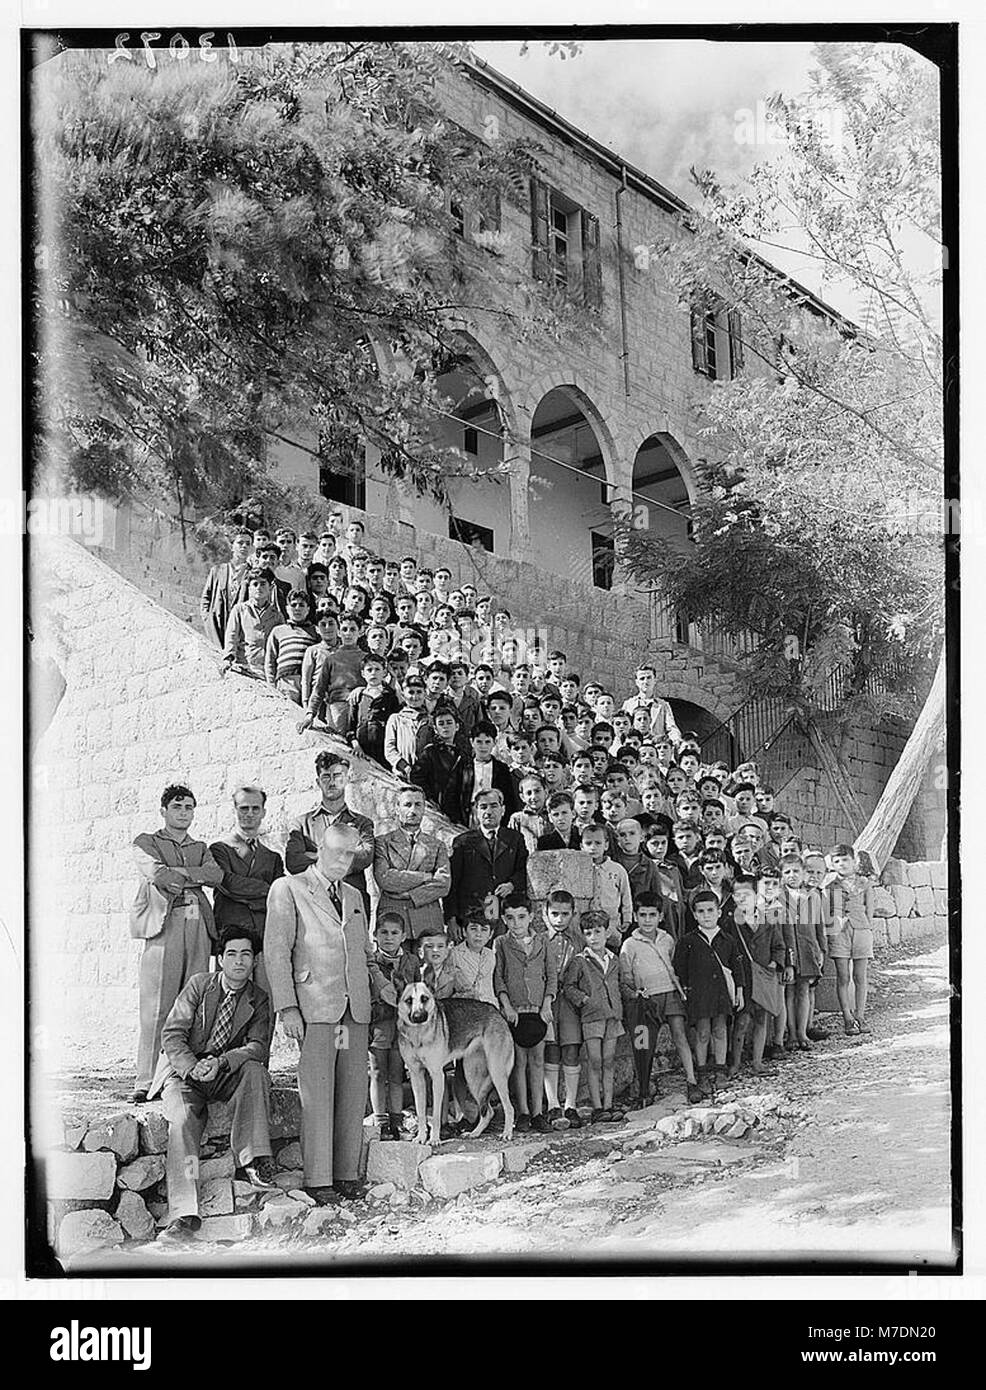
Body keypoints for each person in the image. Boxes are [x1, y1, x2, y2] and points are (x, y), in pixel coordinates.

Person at [264, 823, 383, 1204]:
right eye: (336, 852)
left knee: (351, 1091)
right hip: (315, 1007)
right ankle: (318, 1180)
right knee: (317, 1093)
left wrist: (383, 986)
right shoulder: (289, 888)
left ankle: (347, 1174)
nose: (343, 861)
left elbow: (364, 953)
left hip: (352, 1012)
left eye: (350, 855)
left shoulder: (352, 895)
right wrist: (287, 1008)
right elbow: (276, 952)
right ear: (320, 849)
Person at [151, 930, 276, 1243]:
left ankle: (253, 1160)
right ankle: (183, 1215)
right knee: (181, 1119)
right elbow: (173, 1033)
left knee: (255, 1072)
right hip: (185, 1072)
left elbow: (258, 1046)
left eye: (245, 954)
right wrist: (193, 1067)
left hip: (224, 1072)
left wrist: (219, 1063)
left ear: (254, 960)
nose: (238, 961)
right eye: (231, 954)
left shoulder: (258, 998)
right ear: (221, 959)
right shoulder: (198, 985)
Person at [130, 785, 223, 1103]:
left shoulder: (200, 846)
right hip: (164, 926)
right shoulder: (147, 842)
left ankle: (181, 1075)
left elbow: (215, 875)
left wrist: (180, 872)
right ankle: (145, 1079)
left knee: (194, 1005)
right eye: (178, 806)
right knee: (157, 1005)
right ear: (164, 811)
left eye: (190, 807)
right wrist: (188, 875)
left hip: (198, 926)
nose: (184, 812)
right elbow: (158, 874)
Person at [619, 892, 699, 1106]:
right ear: (635, 916)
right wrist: (634, 994)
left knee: (680, 1035)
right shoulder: (629, 944)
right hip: (646, 999)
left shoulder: (667, 939)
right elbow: (625, 976)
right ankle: (643, 1088)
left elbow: (674, 965)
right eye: (643, 915)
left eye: (652, 915)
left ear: (660, 916)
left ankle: (691, 1080)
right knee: (643, 1043)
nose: (647, 920)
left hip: (670, 993)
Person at [209, 785, 285, 1012]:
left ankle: (261, 1049)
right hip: (231, 939)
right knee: (226, 1003)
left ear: (263, 812)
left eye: (255, 808)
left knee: (263, 1003)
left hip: (262, 939)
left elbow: (279, 897)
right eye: (243, 808)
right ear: (235, 810)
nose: (249, 813)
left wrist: (251, 893)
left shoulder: (273, 858)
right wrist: (266, 890)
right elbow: (228, 884)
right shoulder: (219, 850)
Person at [494, 895, 556, 1135]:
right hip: (516, 1011)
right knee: (519, 1062)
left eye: (521, 917)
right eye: (510, 918)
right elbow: (499, 976)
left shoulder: (543, 941)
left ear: (531, 916)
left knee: (538, 1060)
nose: (516, 923)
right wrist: (506, 1006)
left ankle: (539, 1112)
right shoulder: (501, 943)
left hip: (540, 1009)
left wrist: (547, 1003)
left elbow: (551, 975)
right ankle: (523, 1112)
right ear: (504, 919)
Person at [283, 752, 374, 911]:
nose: (332, 782)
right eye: (326, 777)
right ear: (318, 782)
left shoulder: (362, 823)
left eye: (337, 776)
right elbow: (293, 861)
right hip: (313, 903)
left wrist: (316, 856)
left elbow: (365, 856)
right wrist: (344, 854)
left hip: (352, 903)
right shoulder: (301, 824)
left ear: (347, 779)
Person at [673, 889, 744, 1093]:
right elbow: (680, 969)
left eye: (710, 910)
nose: (706, 915)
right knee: (703, 1033)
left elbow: (737, 967)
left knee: (720, 1030)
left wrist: (739, 992)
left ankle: (720, 1071)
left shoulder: (727, 939)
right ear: (694, 914)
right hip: (700, 994)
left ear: (719, 912)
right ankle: (702, 1072)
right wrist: (687, 992)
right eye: (701, 911)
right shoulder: (688, 941)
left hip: (722, 993)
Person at [562, 911, 624, 1123]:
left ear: (607, 932)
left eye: (598, 932)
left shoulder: (614, 959)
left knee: (609, 1060)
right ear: (584, 936)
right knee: (594, 1061)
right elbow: (568, 987)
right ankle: (596, 1106)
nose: (594, 937)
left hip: (613, 1016)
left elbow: (620, 984)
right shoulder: (580, 961)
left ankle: (609, 1104)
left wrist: (633, 994)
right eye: (589, 933)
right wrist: (584, 999)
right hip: (592, 1016)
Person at [446, 789, 528, 937]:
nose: (488, 811)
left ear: (503, 810)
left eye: (494, 806)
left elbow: (523, 869)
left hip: (505, 913)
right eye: (483, 807)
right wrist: (451, 919)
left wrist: (512, 884)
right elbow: (453, 882)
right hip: (472, 914)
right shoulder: (463, 842)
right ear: (476, 811)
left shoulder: (515, 839)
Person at [373, 786, 452, 941]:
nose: (413, 810)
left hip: (427, 919)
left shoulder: (437, 845)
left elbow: (443, 884)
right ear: (397, 808)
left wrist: (410, 895)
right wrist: (425, 877)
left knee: (429, 964)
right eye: (407, 804)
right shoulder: (383, 842)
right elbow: (385, 878)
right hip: (394, 918)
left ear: (424, 809)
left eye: (418, 805)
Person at [368, 912, 418, 1141]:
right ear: (375, 935)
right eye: (384, 933)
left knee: (398, 1074)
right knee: (378, 1072)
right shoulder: (371, 961)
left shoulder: (411, 961)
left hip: (403, 1026)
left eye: (394, 933)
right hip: (379, 1022)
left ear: (403, 936)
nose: (389, 938)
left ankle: (397, 1121)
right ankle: (381, 1121)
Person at [541, 889, 584, 1128]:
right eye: (554, 914)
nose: (559, 919)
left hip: (569, 1002)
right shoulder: (539, 939)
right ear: (545, 914)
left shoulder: (578, 940)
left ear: (573, 914)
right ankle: (552, 1105)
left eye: (565, 914)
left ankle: (571, 1105)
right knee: (551, 1050)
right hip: (547, 1002)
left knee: (570, 1049)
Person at [823, 843, 875, 1035]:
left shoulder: (865, 883)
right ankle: (847, 1017)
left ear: (854, 861)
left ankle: (860, 1016)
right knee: (843, 976)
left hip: (861, 931)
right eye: (837, 861)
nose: (842, 864)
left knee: (860, 976)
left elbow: (870, 909)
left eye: (845, 859)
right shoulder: (830, 886)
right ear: (832, 864)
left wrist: (866, 926)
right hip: (839, 934)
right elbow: (827, 912)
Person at [297, 613, 366, 735]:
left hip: (361, 706)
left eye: (353, 629)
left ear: (360, 632)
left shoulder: (366, 658)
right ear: (339, 632)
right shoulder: (331, 659)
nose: (348, 633)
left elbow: (377, 684)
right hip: (337, 708)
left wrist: (362, 689)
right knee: (341, 744)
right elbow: (319, 689)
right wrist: (310, 714)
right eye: (344, 629)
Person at [444, 721, 518, 826]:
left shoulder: (501, 768)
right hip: (470, 814)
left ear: (494, 742)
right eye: (479, 742)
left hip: (494, 813)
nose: (483, 747)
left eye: (487, 742)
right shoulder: (463, 766)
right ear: (472, 742)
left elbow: (509, 798)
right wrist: (456, 819)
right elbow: (451, 794)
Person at [580, 822, 632, 949]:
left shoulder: (617, 870)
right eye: (588, 843)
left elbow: (626, 896)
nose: (593, 847)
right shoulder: (579, 870)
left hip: (611, 925)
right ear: (581, 846)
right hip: (587, 927)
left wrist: (627, 919)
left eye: (598, 843)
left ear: (606, 845)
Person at [222, 568, 281, 678]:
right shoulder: (240, 610)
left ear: (270, 588)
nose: (259, 588)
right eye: (255, 584)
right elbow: (231, 635)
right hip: (244, 665)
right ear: (249, 588)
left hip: (267, 669)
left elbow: (280, 641)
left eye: (263, 584)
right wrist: (228, 658)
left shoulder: (277, 615)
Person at [408, 704, 465, 816]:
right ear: (435, 729)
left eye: (449, 723)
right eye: (441, 724)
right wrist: (430, 798)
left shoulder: (463, 754)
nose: (445, 727)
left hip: (459, 808)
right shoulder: (430, 752)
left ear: (457, 726)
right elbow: (416, 777)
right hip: (437, 807)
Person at [200, 529, 253, 648]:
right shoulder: (218, 570)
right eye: (240, 543)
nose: (244, 546)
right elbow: (206, 596)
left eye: (248, 543)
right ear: (232, 546)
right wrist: (207, 618)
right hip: (218, 624)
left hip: (240, 629)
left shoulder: (253, 574)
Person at [347, 656, 401, 766]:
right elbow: (350, 728)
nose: (373, 673)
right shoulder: (358, 697)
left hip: (383, 751)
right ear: (363, 673)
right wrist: (356, 745)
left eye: (377, 669)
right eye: (369, 670)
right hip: (361, 750)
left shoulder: (390, 696)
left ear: (384, 673)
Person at [264, 591, 317, 702]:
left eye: (301, 605)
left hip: (308, 681)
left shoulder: (315, 632)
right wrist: (271, 684)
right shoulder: (278, 631)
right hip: (286, 682)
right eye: (293, 605)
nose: (297, 608)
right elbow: (270, 660)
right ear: (287, 608)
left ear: (308, 609)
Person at [449, 915, 497, 1005]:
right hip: (465, 1007)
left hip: (490, 1006)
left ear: (491, 934)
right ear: (464, 932)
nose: (478, 934)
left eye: (484, 930)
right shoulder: (453, 955)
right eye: (473, 929)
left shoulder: (490, 954)